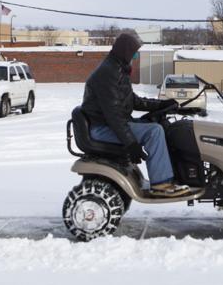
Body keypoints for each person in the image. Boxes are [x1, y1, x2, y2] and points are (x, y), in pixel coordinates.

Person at [81, 33, 193, 197]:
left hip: (111, 124)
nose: (135, 57)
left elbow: (132, 100)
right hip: (102, 128)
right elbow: (113, 115)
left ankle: (172, 174)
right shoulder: (108, 74)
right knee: (154, 131)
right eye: (134, 53)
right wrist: (131, 144)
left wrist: (161, 104)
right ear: (125, 51)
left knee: (157, 125)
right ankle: (161, 183)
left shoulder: (117, 69)